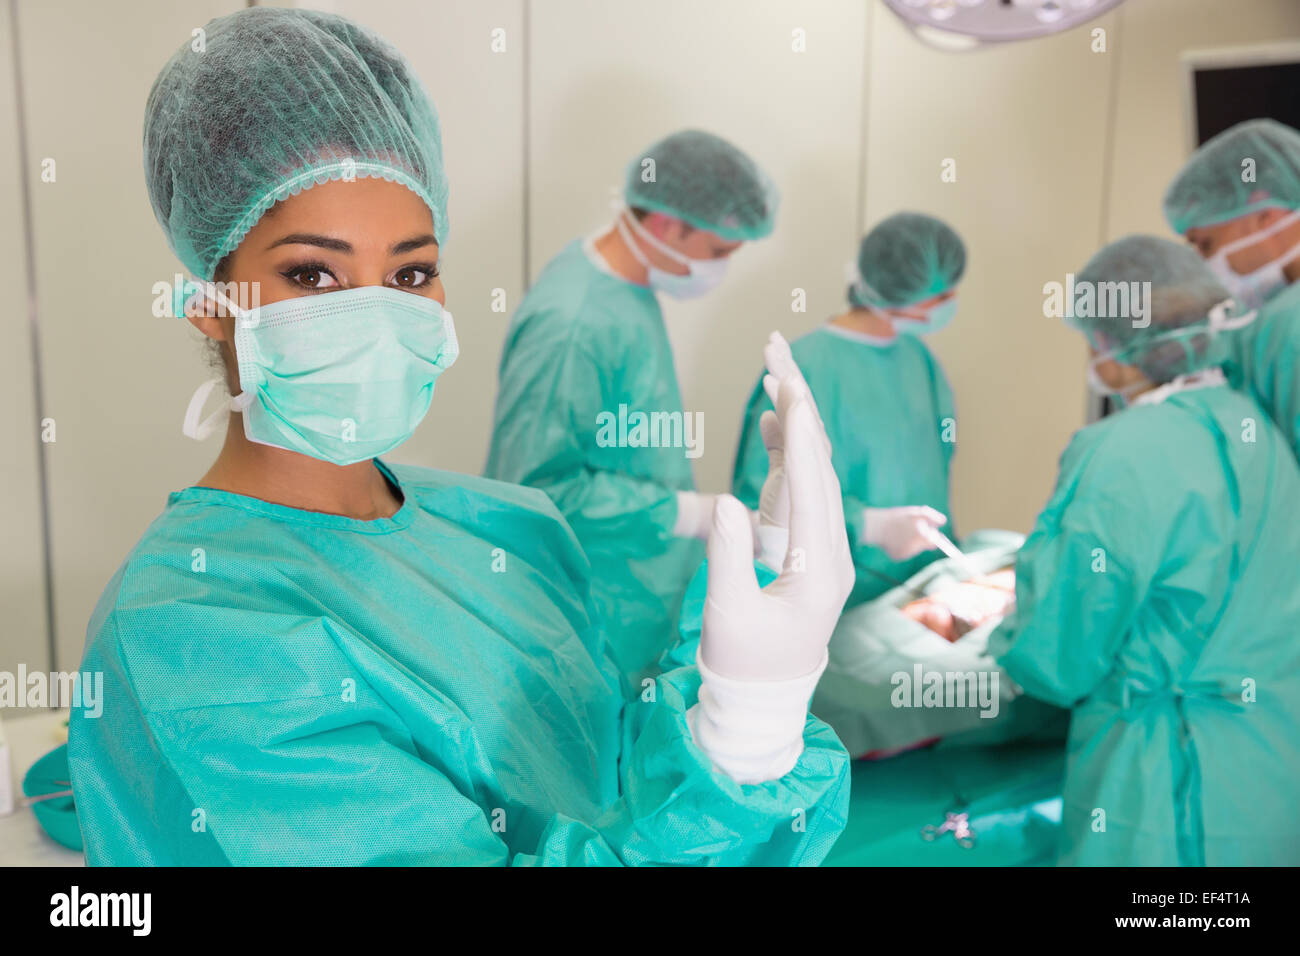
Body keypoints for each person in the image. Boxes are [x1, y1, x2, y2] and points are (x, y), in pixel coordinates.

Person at [66, 7, 855, 866]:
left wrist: (735, 702)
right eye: (311, 274)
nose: (376, 313)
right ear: (215, 309)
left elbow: (613, 781)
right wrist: (748, 736)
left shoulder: (506, 528)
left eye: (410, 272)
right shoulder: (198, 635)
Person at [989, 235, 1300, 866]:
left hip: (1160, 791)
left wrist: (1001, 629)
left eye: (1095, 339)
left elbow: (1058, 655)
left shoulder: (1120, 452)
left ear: (1123, 347)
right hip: (1265, 775)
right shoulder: (1260, 430)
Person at [484, 129, 779, 692]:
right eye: (718, 252)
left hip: (634, 593)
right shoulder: (573, 324)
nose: (721, 269)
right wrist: (689, 513)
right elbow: (536, 492)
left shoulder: (627, 285)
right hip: (588, 616)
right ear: (667, 225)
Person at [733, 211, 962, 610]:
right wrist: (871, 526)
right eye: (941, 295)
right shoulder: (805, 367)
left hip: (919, 590)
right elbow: (766, 508)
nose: (951, 303)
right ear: (904, 292)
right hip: (834, 603)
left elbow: (934, 469)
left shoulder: (917, 357)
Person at [1164, 118, 1300, 458]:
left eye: (1206, 245)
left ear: (1264, 216)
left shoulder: (1289, 326)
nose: (1203, 265)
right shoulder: (1267, 325)